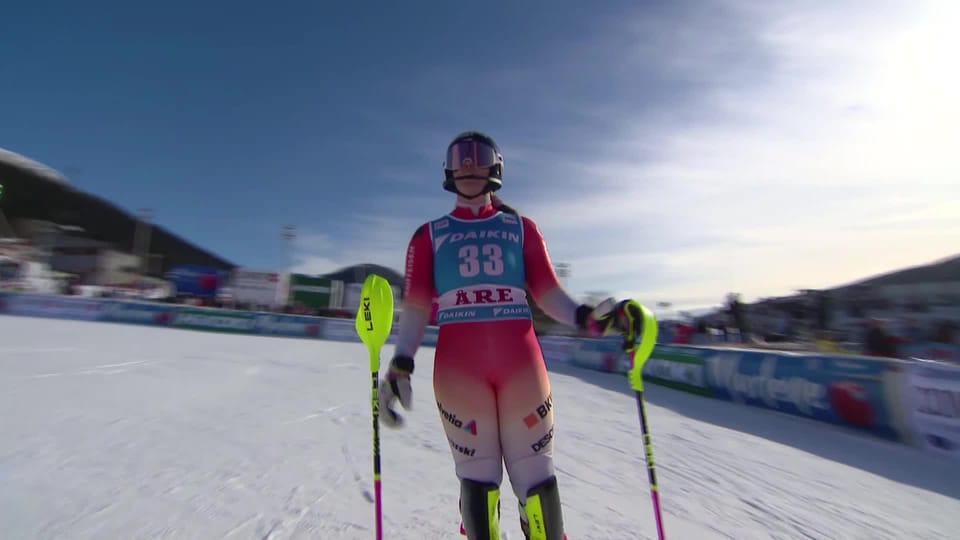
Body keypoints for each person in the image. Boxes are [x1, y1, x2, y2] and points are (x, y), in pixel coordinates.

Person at [378, 131, 647, 540]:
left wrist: (591, 319)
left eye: (478, 157)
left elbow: (548, 292)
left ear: (496, 166)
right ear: (448, 169)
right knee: (479, 493)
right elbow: (415, 308)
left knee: (538, 487)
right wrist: (401, 362)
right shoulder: (427, 236)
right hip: (459, 374)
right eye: (460, 158)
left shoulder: (521, 228)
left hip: (520, 368)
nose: (469, 166)